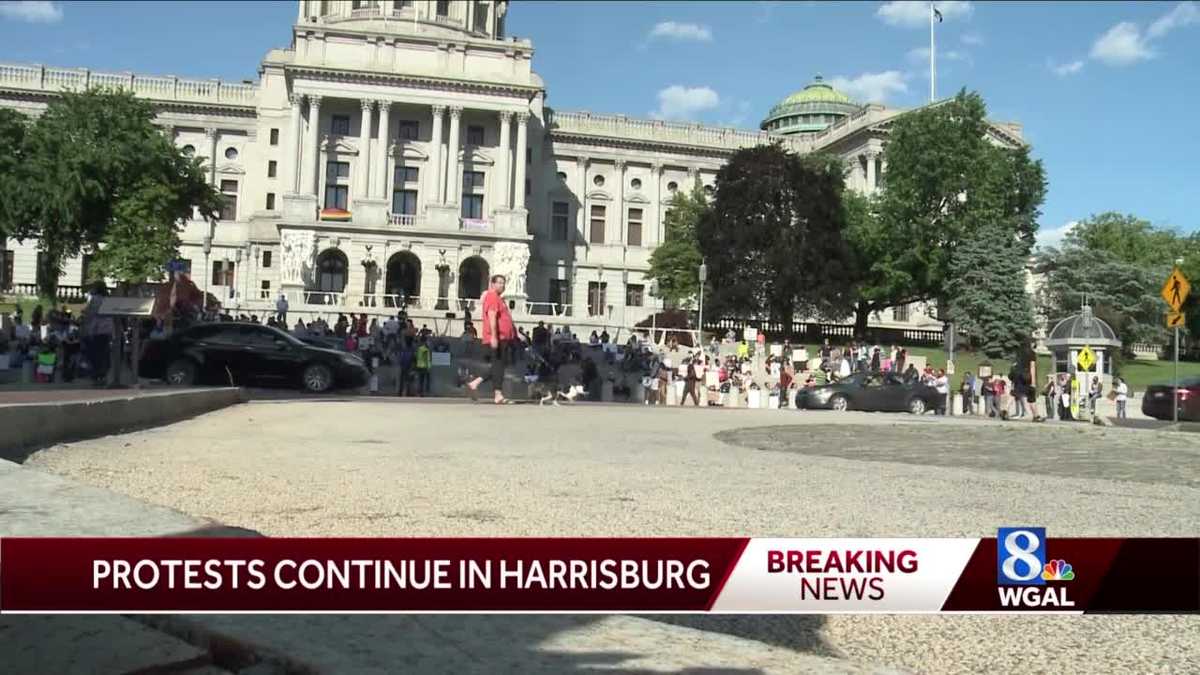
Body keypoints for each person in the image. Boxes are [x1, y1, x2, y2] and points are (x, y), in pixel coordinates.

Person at [465, 275, 516, 404]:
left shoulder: (499, 298)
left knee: (498, 365)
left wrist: (516, 333)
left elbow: (505, 318)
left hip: (503, 337)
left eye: (503, 283)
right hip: (498, 337)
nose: (502, 285)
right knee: (498, 365)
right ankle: (497, 394)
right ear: (492, 284)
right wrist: (494, 336)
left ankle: (475, 383)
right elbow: (492, 316)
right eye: (499, 283)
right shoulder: (492, 296)